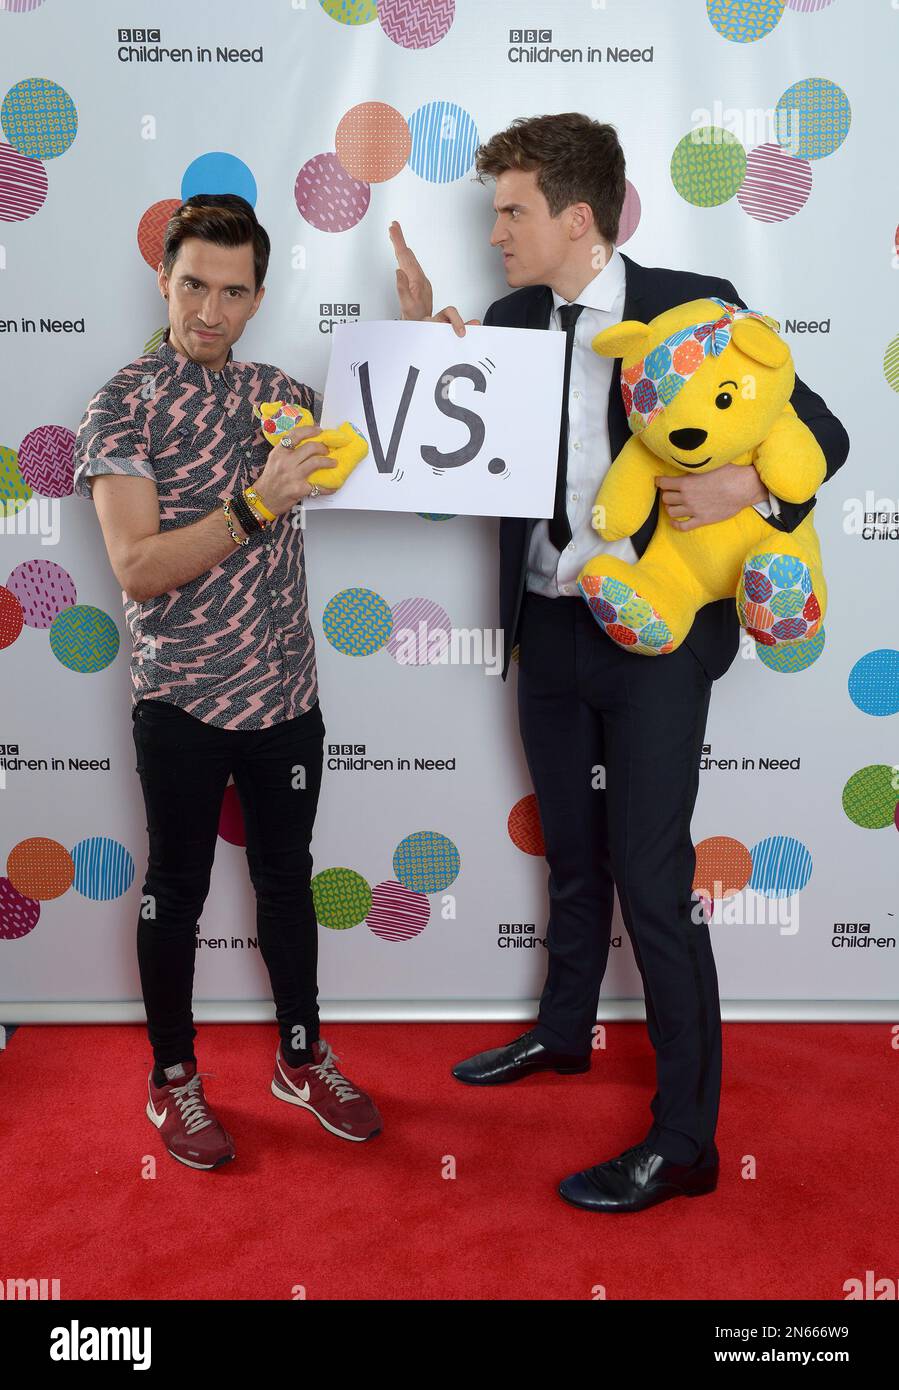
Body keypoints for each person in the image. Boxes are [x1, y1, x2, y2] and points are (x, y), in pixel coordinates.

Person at [391, 112, 849, 1213]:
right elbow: (453, 454)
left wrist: (750, 487)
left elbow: (821, 431)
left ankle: (685, 1140)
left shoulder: (695, 307)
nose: (493, 230)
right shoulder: (505, 317)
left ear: (575, 218)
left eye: (509, 210)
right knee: (572, 851)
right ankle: (562, 1034)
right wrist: (422, 347)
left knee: (652, 880)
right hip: (546, 628)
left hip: (657, 642)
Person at [72, 194, 382, 1169]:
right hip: (182, 703)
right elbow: (136, 566)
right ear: (164, 279)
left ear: (256, 296)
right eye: (192, 285)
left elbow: (399, 445)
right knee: (177, 885)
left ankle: (299, 1057)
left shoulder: (279, 391)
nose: (208, 309)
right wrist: (256, 502)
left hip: (287, 698)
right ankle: (173, 1077)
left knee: (286, 883)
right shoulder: (123, 402)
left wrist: (429, 335)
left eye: (231, 291)